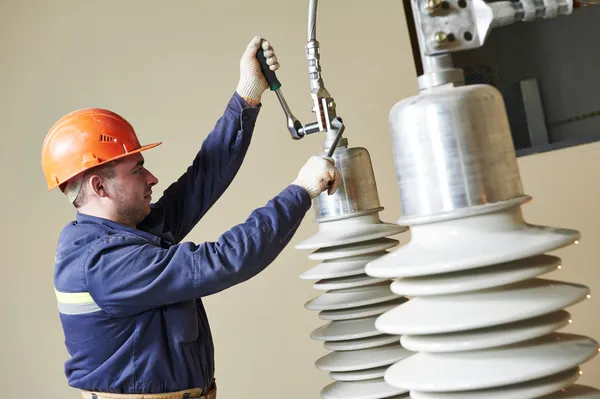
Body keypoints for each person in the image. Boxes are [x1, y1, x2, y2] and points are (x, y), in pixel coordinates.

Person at [40, 36, 341, 399]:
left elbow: (200, 180)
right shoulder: (105, 264)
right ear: (99, 187)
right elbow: (224, 259)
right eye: (138, 170)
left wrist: (247, 95)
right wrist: (301, 191)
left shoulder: (122, 234)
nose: (152, 178)